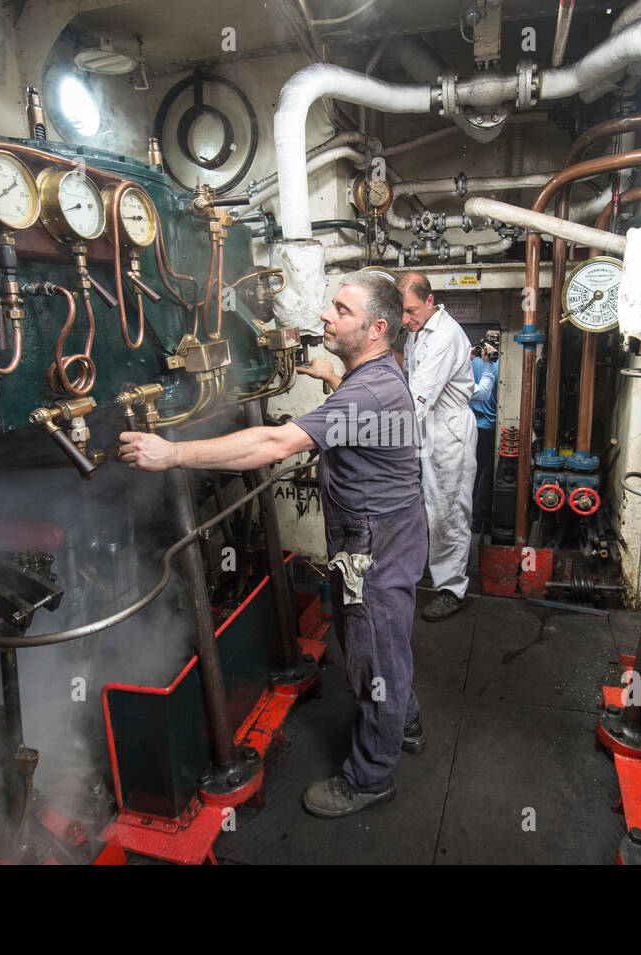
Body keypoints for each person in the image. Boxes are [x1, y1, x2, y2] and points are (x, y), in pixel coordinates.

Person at [118, 271, 427, 820]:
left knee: (371, 655)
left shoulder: (372, 388)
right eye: (331, 305)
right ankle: (403, 721)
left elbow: (276, 441)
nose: (326, 316)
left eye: (341, 310)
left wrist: (173, 454)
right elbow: (358, 410)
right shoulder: (376, 373)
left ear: (378, 328)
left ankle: (371, 778)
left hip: (375, 544)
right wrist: (334, 379)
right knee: (386, 643)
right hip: (388, 531)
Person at [398, 273, 476, 622]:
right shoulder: (419, 330)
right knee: (425, 506)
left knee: (448, 509)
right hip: (427, 428)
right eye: (401, 311)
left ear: (431, 301)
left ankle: (452, 589)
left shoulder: (444, 335)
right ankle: (434, 573)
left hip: (447, 431)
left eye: (411, 310)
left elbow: (418, 398)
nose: (405, 319)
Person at [470, 337, 498, 533]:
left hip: (471, 426)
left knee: (471, 473)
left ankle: (470, 518)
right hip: (489, 427)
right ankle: (480, 520)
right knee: (485, 476)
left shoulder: (471, 362)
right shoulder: (497, 364)